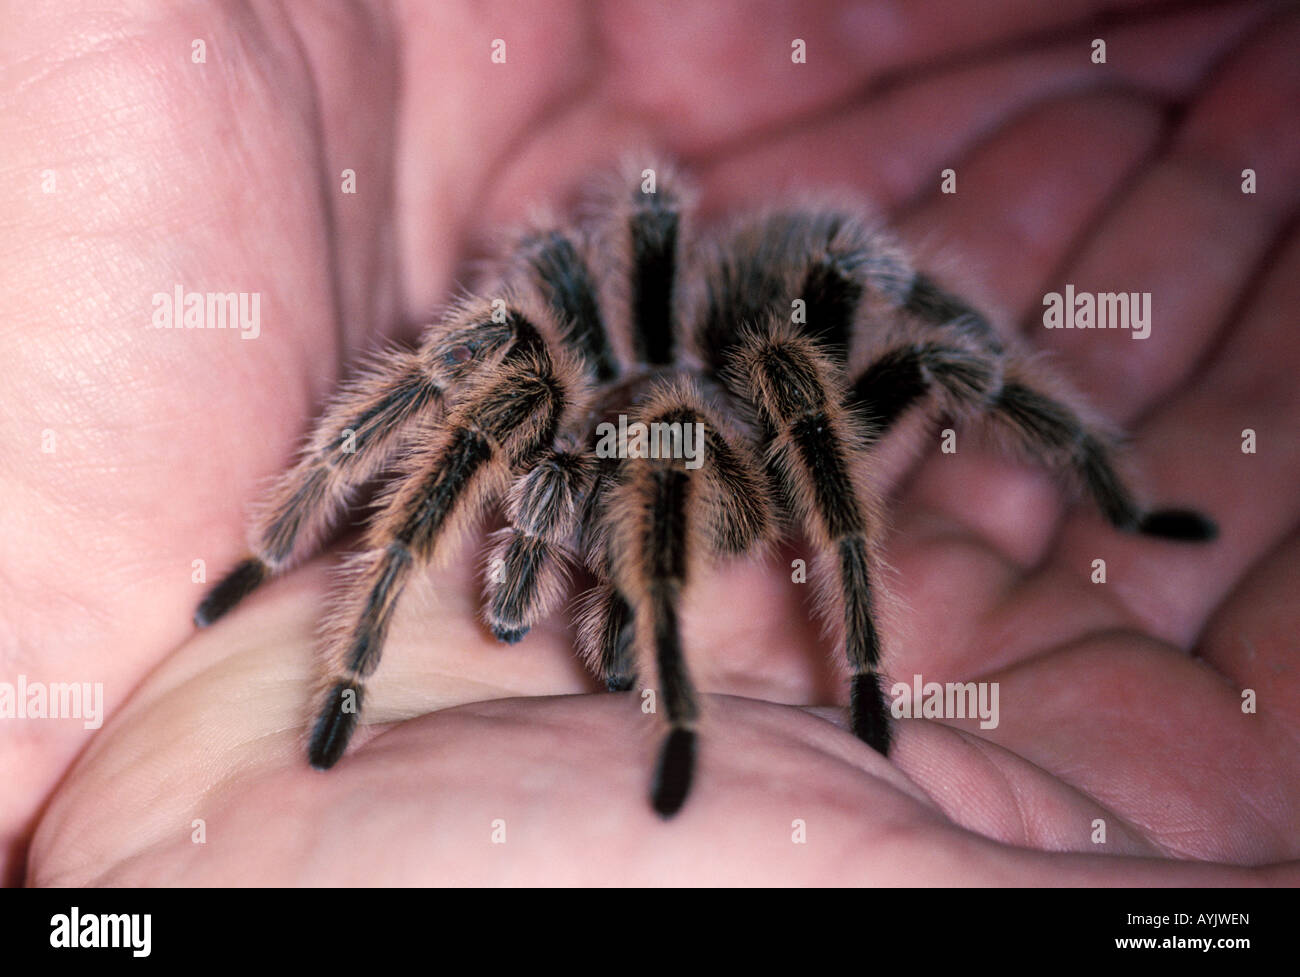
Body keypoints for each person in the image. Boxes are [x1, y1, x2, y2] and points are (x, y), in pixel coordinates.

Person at [4, 0, 1297, 886]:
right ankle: (321, 625)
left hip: (749, 418)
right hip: (636, 384)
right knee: (484, 364)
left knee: (934, 352)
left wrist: (843, 666)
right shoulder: (564, 413)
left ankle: (1116, 491)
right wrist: (292, 611)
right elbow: (492, 336)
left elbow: (811, 400)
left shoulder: (766, 404)